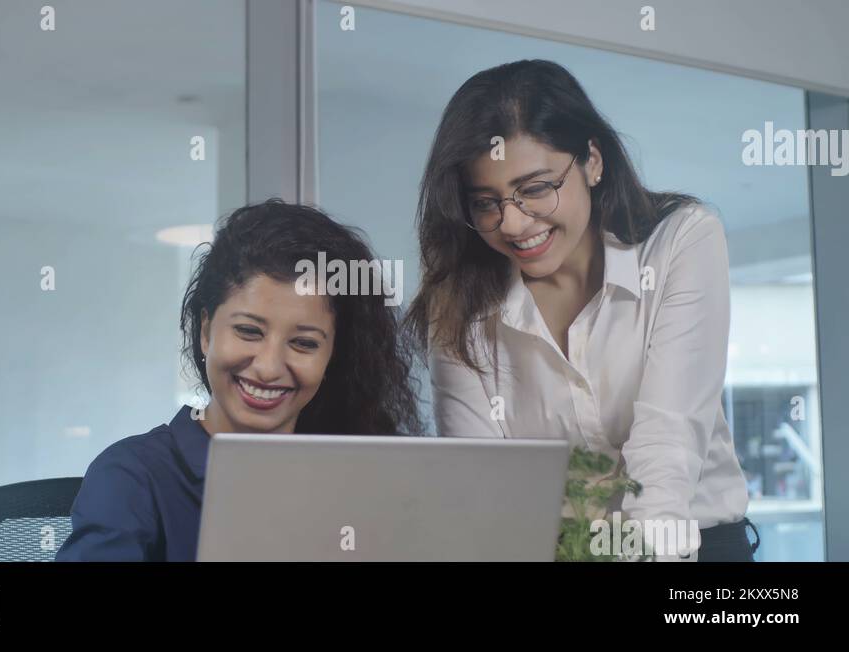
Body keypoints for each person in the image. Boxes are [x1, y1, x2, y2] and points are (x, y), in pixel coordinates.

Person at [405, 60, 759, 561]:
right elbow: (482, 481)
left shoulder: (681, 241)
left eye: (534, 189)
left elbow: (665, 447)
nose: (511, 223)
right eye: (486, 202)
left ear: (593, 160)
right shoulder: (458, 298)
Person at [57, 199, 422, 561]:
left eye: (304, 343)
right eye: (248, 331)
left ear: (332, 357)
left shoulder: (360, 481)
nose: (268, 367)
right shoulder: (132, 476)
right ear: (205, 332)